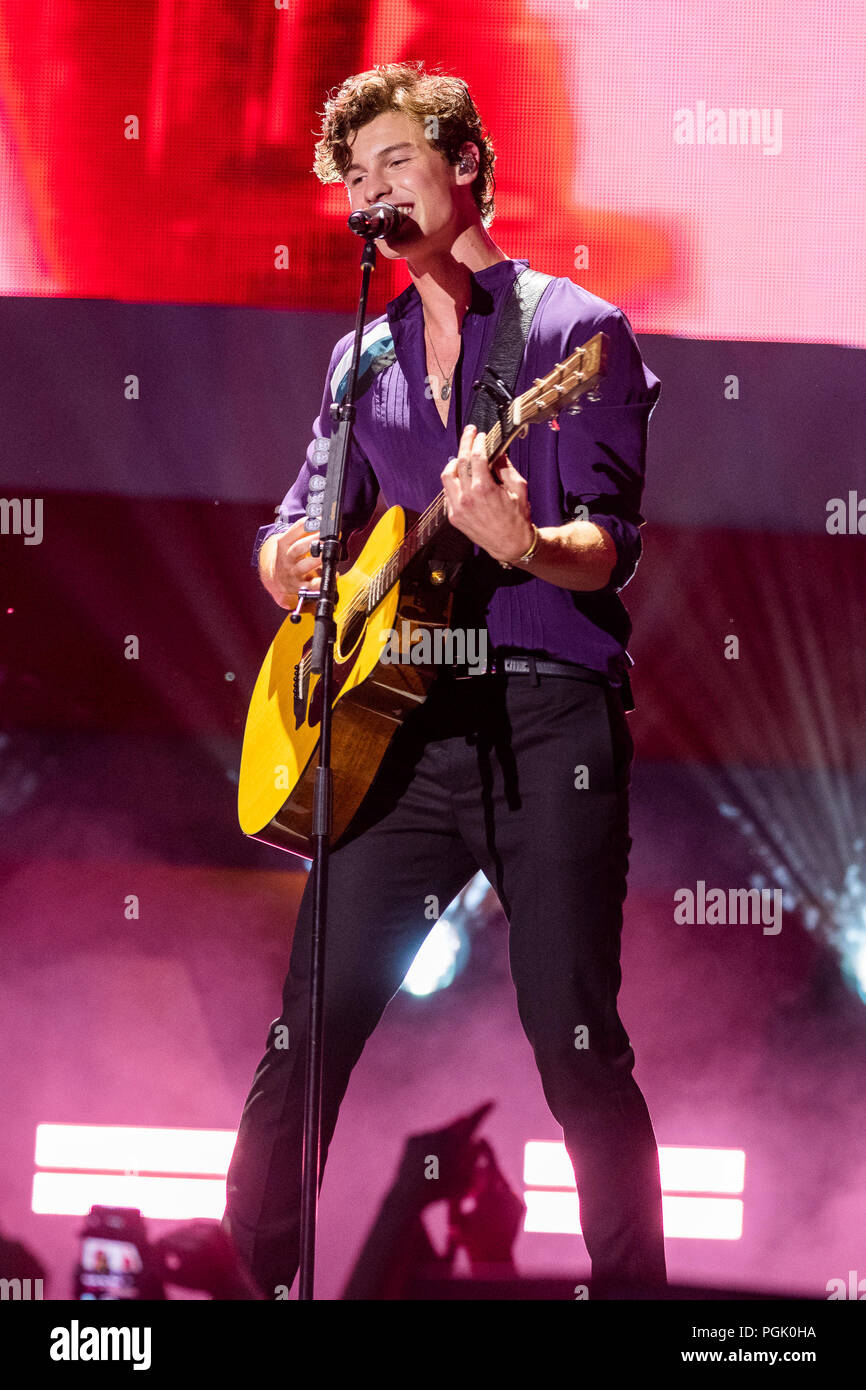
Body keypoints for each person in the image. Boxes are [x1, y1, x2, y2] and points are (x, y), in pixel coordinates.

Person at [223, 60, 666, 1300]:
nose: (368, 191)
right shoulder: (356, 362)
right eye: (352, 176)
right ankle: (254, 1285)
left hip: (545, 717)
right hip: (398, 732)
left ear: (464, 164)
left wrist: (526, 545)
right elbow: (298, 519)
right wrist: (283, 560)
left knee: (574, 1045)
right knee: (303, 1034)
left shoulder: (575, 335)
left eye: (392, 163)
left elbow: (610, 549)